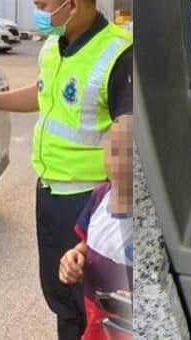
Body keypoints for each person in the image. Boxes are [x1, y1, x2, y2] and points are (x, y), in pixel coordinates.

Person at [0, 0, 133, 340]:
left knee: (92, 303)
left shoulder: (118, 53)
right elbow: (43, 94)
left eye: (42, 7)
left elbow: (127, 131)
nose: (38, 16)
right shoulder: (54, 46)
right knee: (60, 295)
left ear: (73, 6)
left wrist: (118, 212)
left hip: (88, 198)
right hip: (49, 190)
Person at [59, 112, 133, 340]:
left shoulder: (157, 218)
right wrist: (73, 257)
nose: (120, 163)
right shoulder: (100, 196)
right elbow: (86, 243)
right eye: (114, 152)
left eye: (131, 155)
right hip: (97, 325)